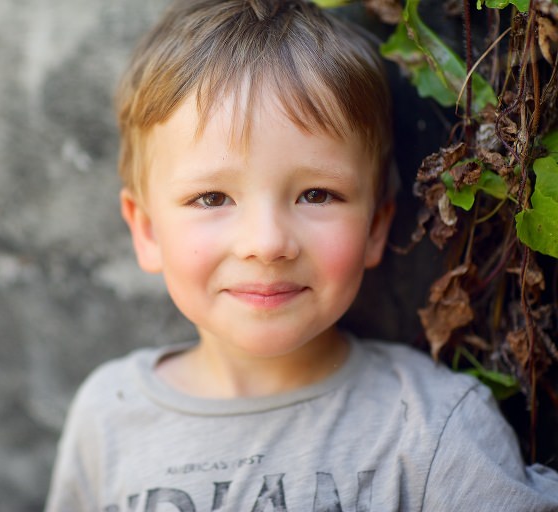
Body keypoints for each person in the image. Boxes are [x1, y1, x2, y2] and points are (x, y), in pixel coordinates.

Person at [45, 1, 558, 510]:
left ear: (377, 226)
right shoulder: (108, 417)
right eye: (212, 198)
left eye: (316, 194)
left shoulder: (433, 429)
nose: (267, 244)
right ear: (148, 230)